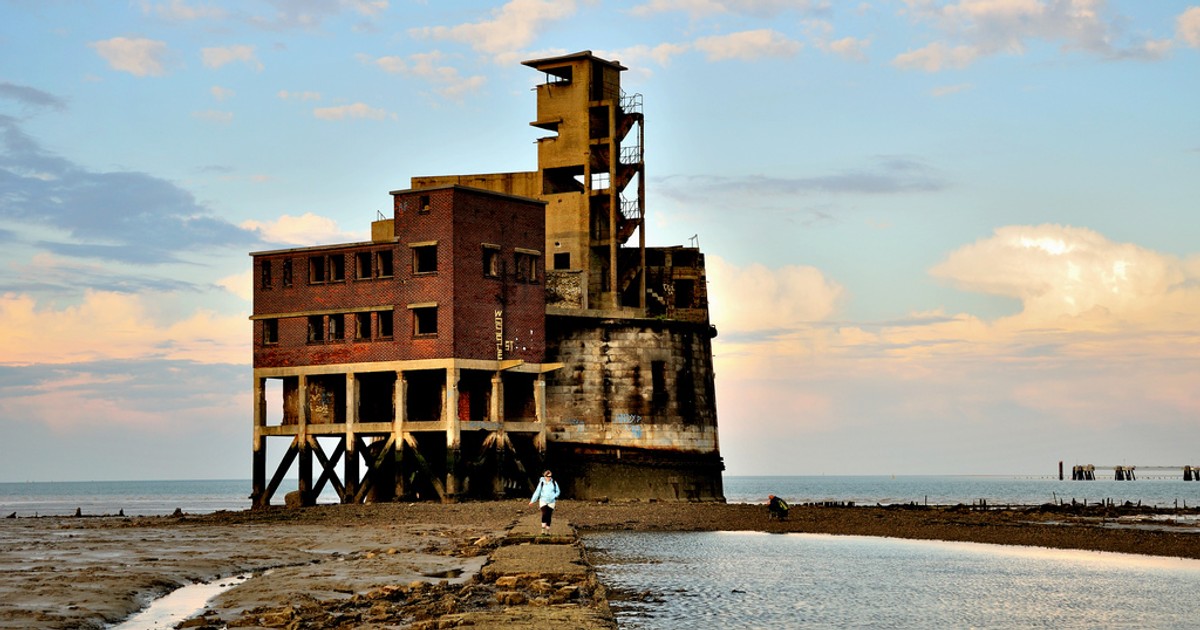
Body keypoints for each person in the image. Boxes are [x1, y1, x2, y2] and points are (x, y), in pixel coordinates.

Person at [529, 470, 560, 534]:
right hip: (543, 500)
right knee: (544, 513)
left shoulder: (554, 482)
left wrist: (554, 496)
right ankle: (543, 529)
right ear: (545, 476)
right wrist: (532, 501)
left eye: (550, 476)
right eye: (548, 476)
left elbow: (558, 491)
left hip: (552, 501)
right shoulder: (542, 483)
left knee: (549, 515)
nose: (549, 477)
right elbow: (537, 492)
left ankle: (548, 530)